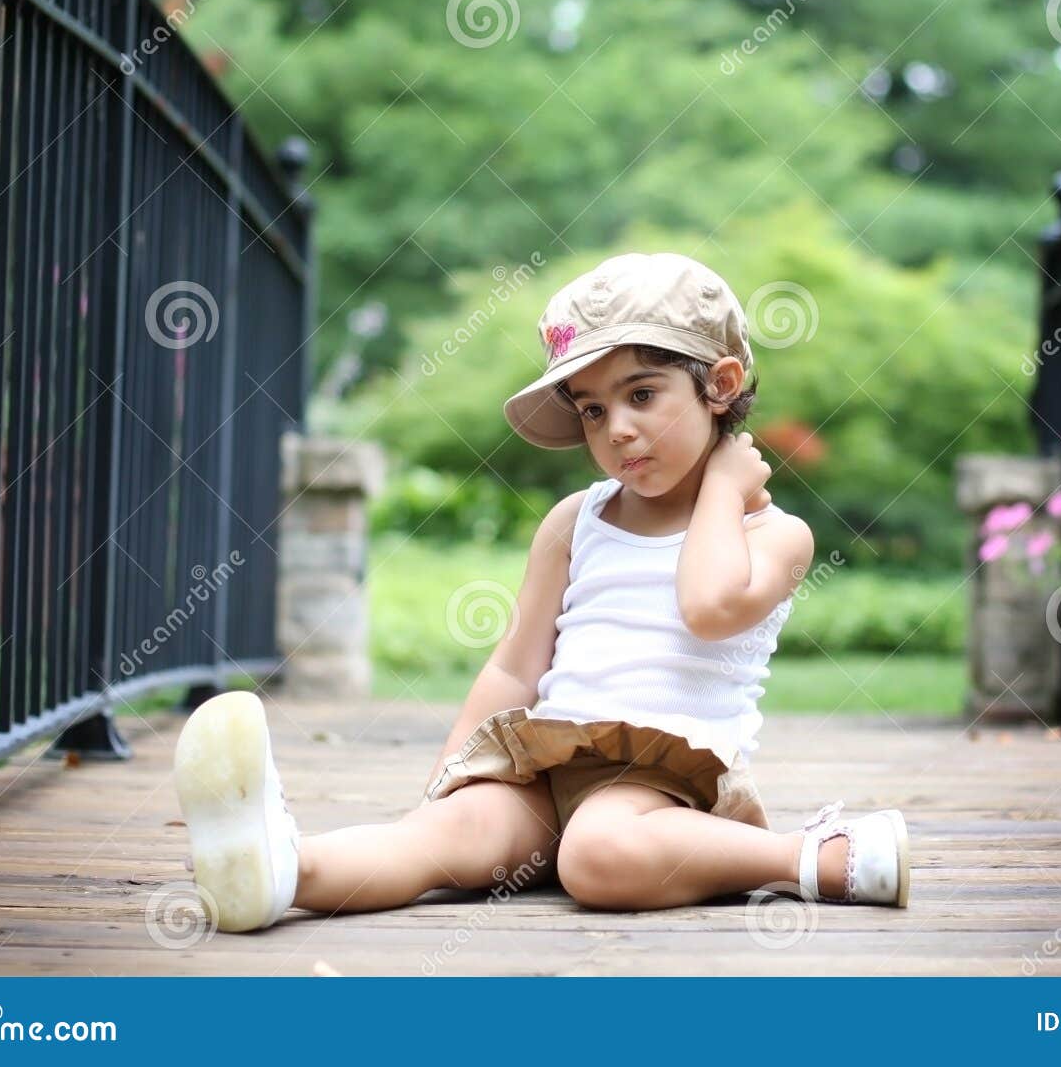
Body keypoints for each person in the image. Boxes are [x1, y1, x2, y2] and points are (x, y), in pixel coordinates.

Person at [172, 252, 910, 932]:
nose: (616, 429)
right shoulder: (576, 521)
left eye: (641, 394)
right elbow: (515, 668)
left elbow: (709, 606)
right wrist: (450, 777)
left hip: (666, 780)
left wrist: (722, 486)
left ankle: (807, 855)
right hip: (549, 761)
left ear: (719, 386)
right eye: (592, 409)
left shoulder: (774, 534)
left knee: (597, 854)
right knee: (442, 836)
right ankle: (280, 867)